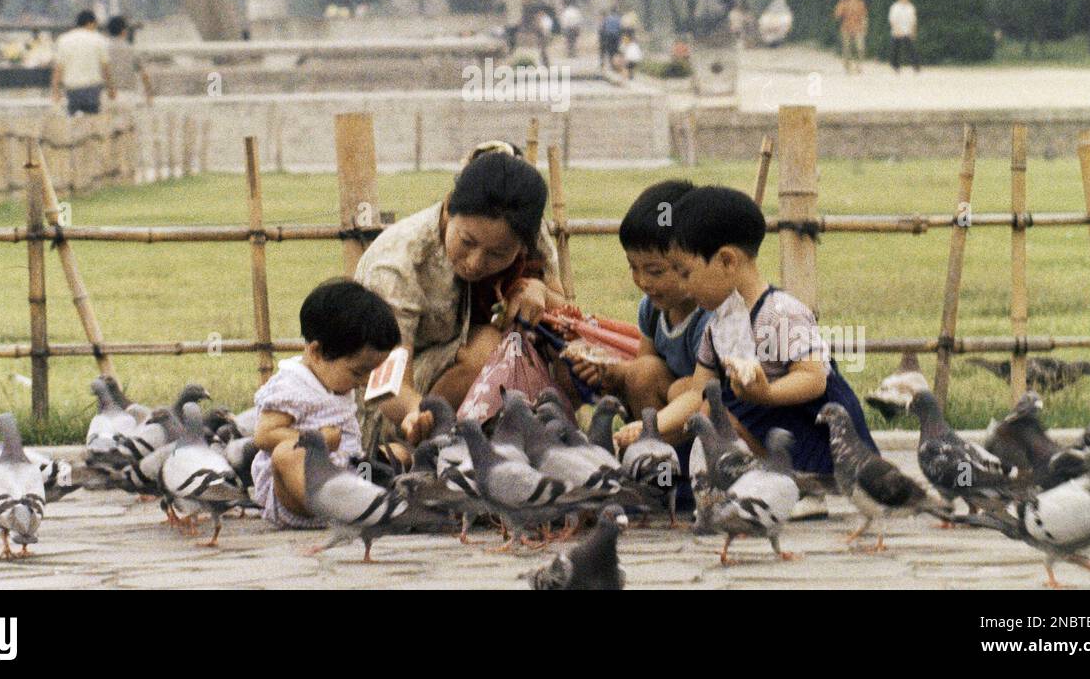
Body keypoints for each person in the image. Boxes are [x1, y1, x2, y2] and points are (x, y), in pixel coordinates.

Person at [620, 185, 876, 478]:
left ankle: (799, 481)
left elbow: (814, 378)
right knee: (709, 411)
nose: (685, 286)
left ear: (727, 261)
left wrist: (767, 393)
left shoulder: (780, 312)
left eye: (686, 273)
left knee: (717, 416)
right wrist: (651, 426)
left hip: (809, 427)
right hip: (759, 421)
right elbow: (697, 394)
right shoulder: (717, 327)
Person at [353, 144, 564, 451]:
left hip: (469, 393)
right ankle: (432, 449)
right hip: (391, 414)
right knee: (492, 348)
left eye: (498, 254)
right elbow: (387, 385)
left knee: (540, 342)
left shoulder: (526, 231)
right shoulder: (399, 264)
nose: (476, 263)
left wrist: (538, 291)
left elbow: (568, 313)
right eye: (467, 242)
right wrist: (418, 416)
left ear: (522, 244)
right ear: (450, 207)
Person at [251, 279, 401, 528]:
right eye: (357, 372)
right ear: (317, 353)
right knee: (285, 455)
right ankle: (344, 509)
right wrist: (318, 440)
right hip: (298, 494)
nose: (364, 382)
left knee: (398, 454)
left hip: (344, 475)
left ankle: (366, 502)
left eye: (370, 373)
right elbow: (264, 435)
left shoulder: (334, 381)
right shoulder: (292, 385)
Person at [570, 180, 712, 419]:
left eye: (655, 271)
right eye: (633, 267)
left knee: (678, 388)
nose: (643, 281)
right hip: (668, 412)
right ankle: (652, 446)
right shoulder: (652, 309)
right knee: (642, 372)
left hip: (708, 413)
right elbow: (643, 368)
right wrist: (614, 372)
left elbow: (707, 391)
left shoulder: (709, 317)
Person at [50, 10, 115, 115]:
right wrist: (110, 89)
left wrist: (55, 91)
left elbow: (58, 68)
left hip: (72, 89)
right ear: (91, 23)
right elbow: (105, 68)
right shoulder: (99, 39)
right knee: (92, 123)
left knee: (73, 121)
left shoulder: (64, 40)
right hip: (92, 89)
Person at [105, 16, 154, 103]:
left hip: (108, 94)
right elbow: (144, 74)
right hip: (128, 95)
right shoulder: (132, 50)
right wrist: (149, 95)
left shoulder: (103, 49)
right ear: (124, 31)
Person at [833, 0, 868, 74]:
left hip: (858, 29)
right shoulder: (842, 3)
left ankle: (859, 65)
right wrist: (840, 9)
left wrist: (865, 27)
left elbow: (864, 16)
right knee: (846, 49)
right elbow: (837, 16)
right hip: (846, 28)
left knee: (860, 48)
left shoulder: (860, 3)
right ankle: (847, 67)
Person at [888, 0, 921, 73]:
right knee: (895, 50)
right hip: (897, 31)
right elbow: (892, 19)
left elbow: (914, 20)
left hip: (908, 31)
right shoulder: (895, 7)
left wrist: (913, 31)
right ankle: (895, 66)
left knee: (911, 49)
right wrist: (896, 29)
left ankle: (916, 66)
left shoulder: (911, 7)